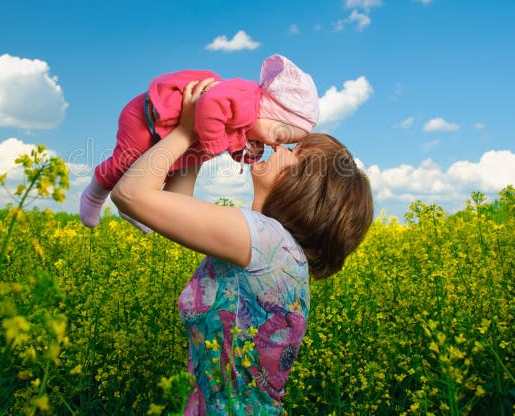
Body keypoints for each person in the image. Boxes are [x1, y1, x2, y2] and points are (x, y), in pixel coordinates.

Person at [111, 78, 373, 414]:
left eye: (294, 153)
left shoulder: (266, 240)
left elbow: (130, 195)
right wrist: (202, 139)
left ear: (308, 188)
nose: (279, 147)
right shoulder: (275, 250)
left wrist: (187, 130)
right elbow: (174, 206)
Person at [80, 54, 320, 233]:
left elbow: (233, 147)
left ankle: (135, 209)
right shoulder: (246, 99)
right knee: (125, 163)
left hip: (171, 134)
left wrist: (247, 155)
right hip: (146, 119)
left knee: (161, 171)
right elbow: (209, 103)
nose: (274, 146)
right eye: (279, 137)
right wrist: (212, 143)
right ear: (270, 109)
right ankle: (94, 195)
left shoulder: (248, 122)